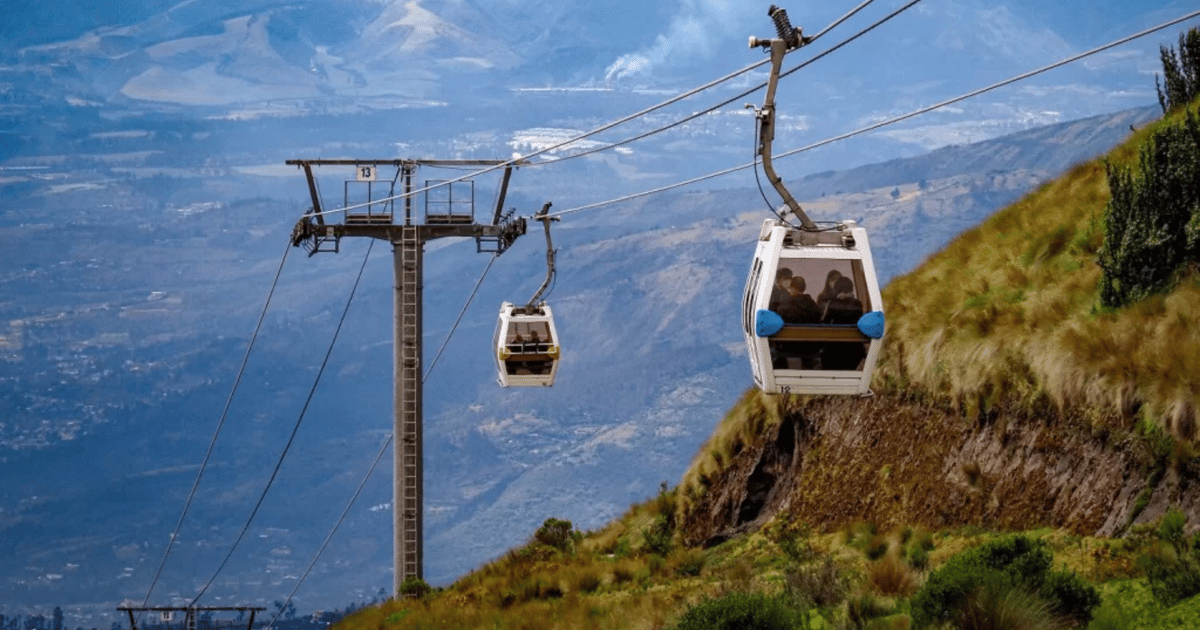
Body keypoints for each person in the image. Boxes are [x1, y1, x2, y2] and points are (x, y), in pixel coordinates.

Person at [821, 276, 867, 370]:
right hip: (854, 350)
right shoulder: (857, 304)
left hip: (834, 350)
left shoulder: (833, 303)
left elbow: (825, 322)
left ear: (837, 288)